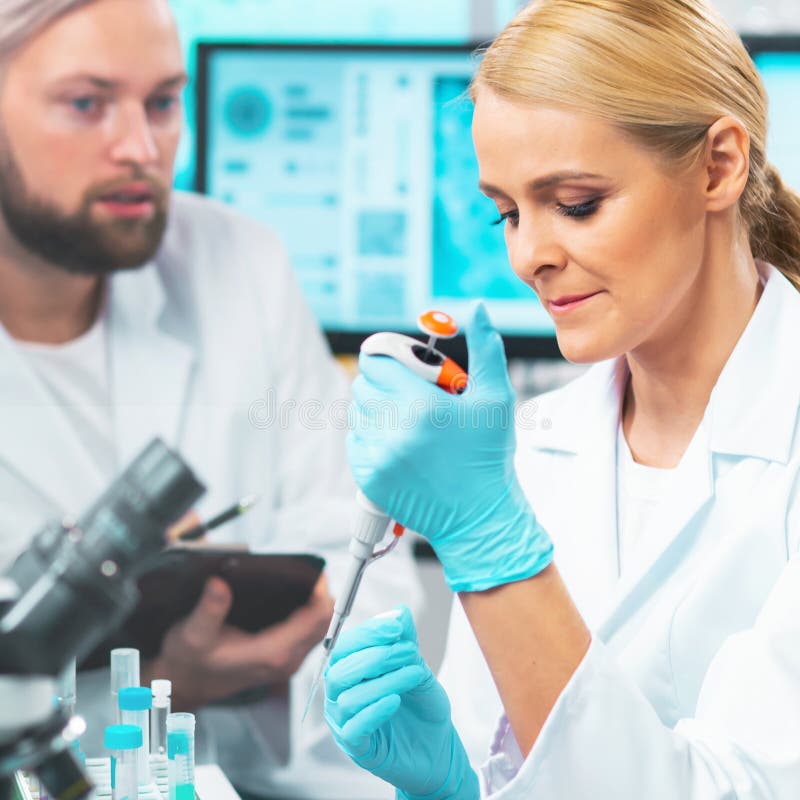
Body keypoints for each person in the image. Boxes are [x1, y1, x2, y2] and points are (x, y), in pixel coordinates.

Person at [321, 0, 800, 798]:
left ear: (718, 166)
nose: (527, 256)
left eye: (575, 204)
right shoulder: (535, 446)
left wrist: (485, 535)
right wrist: (452, 788)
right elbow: (513, 765)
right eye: (507, 212)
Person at [0, 1, 420, 798]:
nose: (141, 148)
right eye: (86, 104)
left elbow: (366, 567)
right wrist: (158, 686)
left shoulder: (238, 261)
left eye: (162, 102)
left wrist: (268, 655)